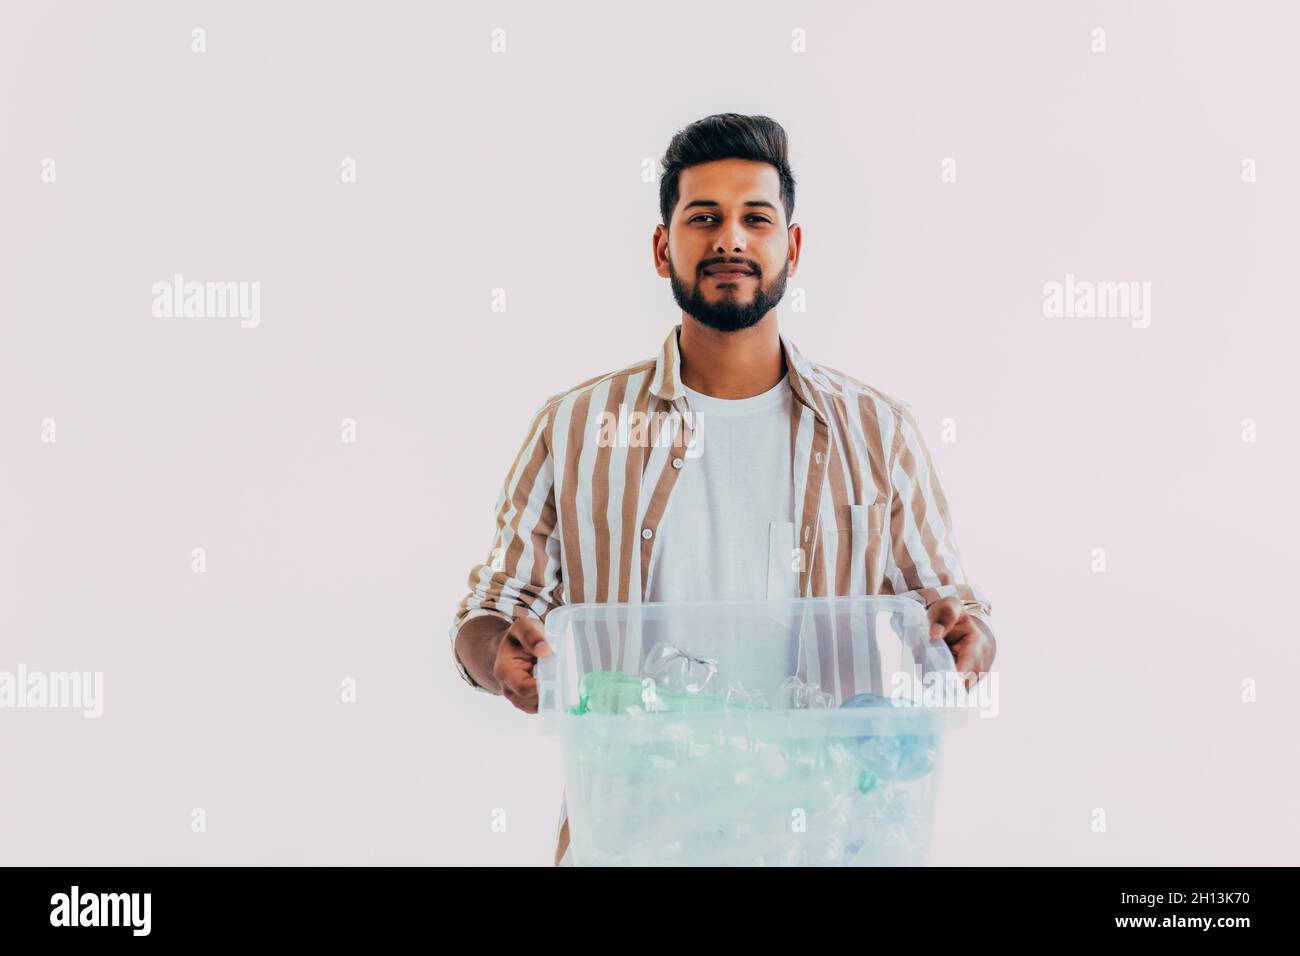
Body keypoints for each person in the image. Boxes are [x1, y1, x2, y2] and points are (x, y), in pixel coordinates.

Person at [448, 113, 996, 866]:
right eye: (703, 218)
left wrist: (966, 641)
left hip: (827, 846)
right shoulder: (576, 429)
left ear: (791, 248)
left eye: (755, 218)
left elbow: (956, 615)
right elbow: (489, 615)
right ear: (662, 246)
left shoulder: (877, 432)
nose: (730, 239)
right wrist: (497, 654)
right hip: (633, 843)